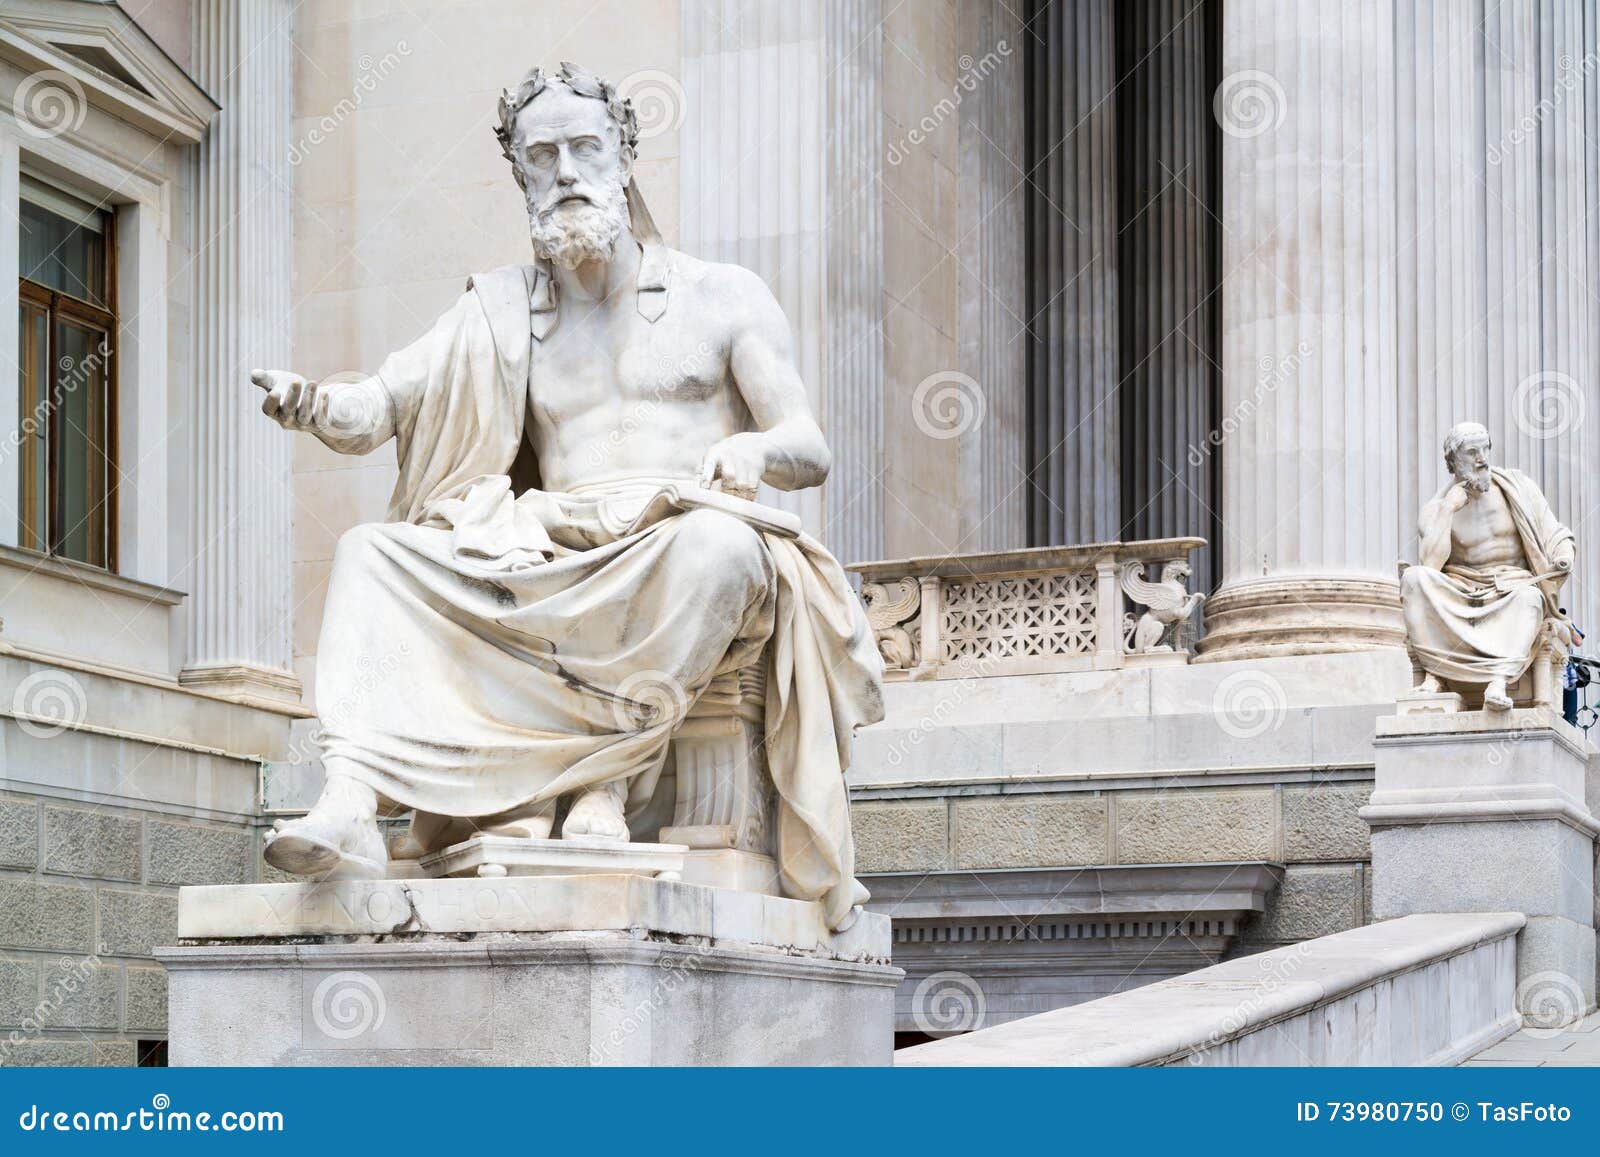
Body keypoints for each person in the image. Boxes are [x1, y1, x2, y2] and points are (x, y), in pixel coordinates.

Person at [251, 63, 882, 929]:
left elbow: (807, 446)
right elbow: (383, 403)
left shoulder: (721, 295)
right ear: (521, 176)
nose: (568, 172)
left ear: (626, 155)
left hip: (679, 528)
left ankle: (604, 782)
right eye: (543, 157)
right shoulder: (503, 309)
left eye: (586, 148)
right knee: (370, 551)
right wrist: (318, 406)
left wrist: (752, 447)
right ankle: (352, 798)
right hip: (547, 541)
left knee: (724, 550)